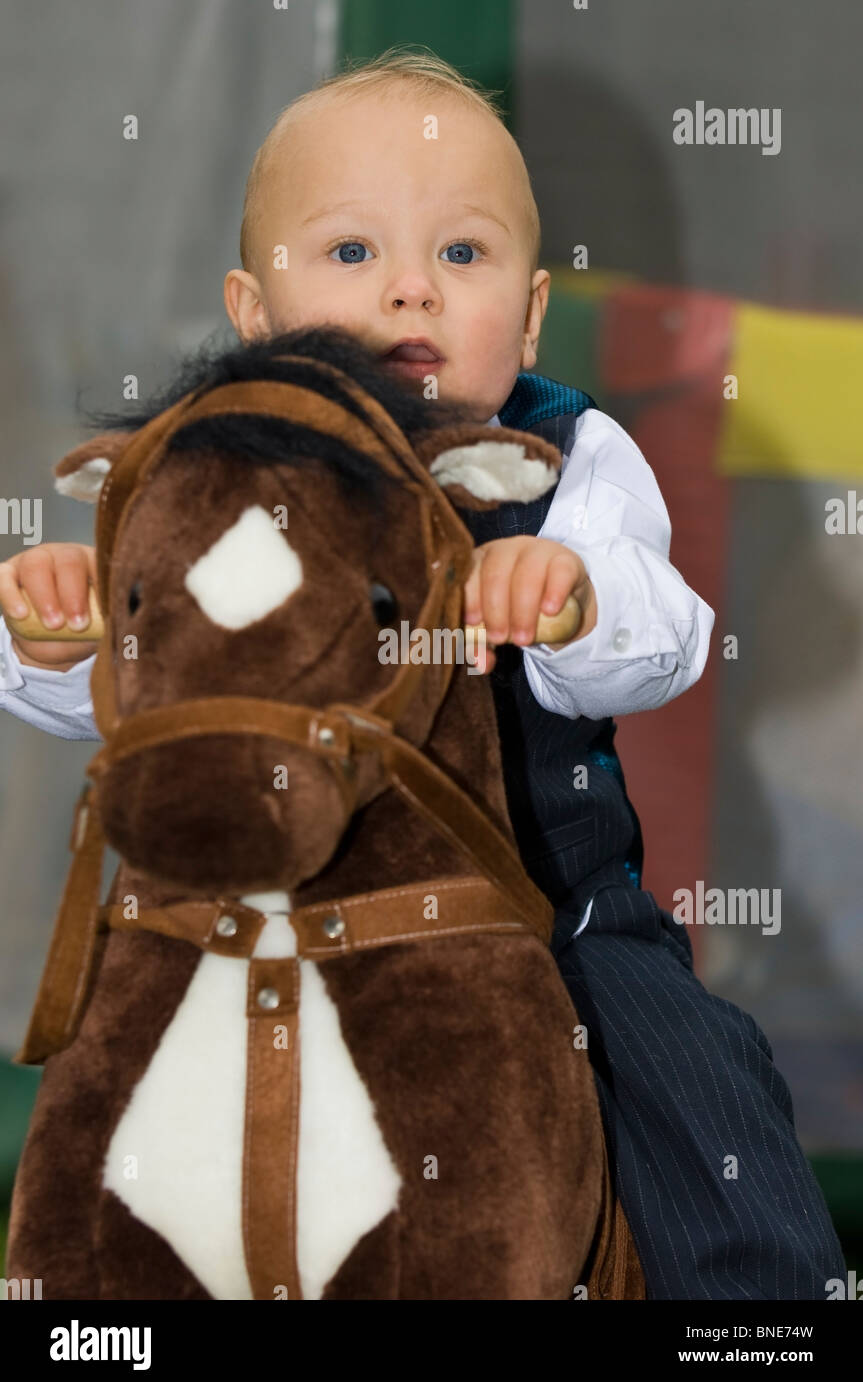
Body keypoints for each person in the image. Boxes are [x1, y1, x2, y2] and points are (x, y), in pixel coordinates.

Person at [0, 48, 844, 1298]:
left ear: (535, 309)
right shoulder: (217, 468)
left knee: (699, 1095)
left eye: (461, 256)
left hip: (545, 921)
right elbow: (151, 689)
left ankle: (764, 1309)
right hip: (257, 903)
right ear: (249, 312)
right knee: (111, 1088)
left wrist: (570, 602)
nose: (409, 292)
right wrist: (58, 633)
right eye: (350, 254)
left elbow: (662, 634)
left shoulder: (568, 458)